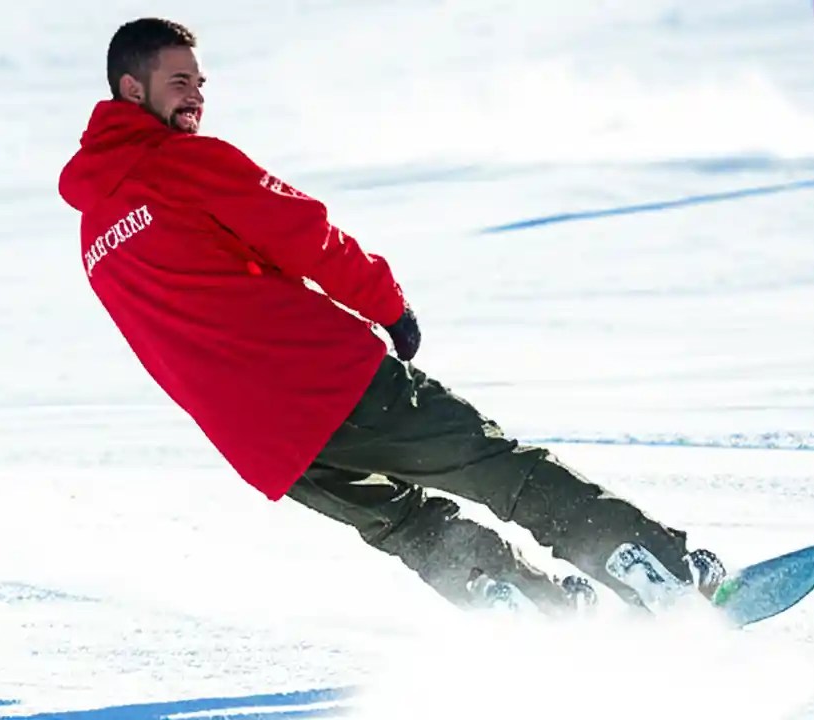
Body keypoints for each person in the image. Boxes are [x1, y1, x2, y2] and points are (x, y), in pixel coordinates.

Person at [58, 17, 725, 615]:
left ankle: (533, 610)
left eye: (201, 81)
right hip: (333, 384)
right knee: (496, 467)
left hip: (265, 446)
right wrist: (387, 305)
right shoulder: (185, 164)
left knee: (407, 524)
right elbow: (303, 232)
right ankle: (659, 575)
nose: (197, 96)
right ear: (131, 89)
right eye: (178, 81)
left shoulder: (94, 237)